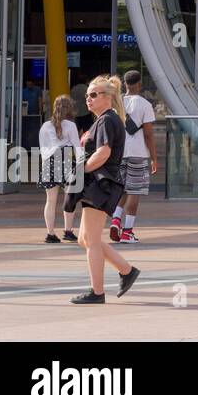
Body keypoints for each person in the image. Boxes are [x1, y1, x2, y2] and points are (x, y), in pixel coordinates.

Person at [65, 75, 140, 304]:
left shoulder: (107, 120)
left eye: (94, 94)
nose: (88, 98)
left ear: (108, 97)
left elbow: (104, 153)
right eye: (88, 94)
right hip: (99, 183)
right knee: (84, 239)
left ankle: (97, 292)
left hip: (101, 183)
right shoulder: (103, 120)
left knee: (92, 240)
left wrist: (83, 169)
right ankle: (126, 271)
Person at [108, 70, 157, 243]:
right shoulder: (144, 104)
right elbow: (149, 134)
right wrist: (154, 158)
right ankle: (127, 232)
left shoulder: (116, 103)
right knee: (134, 191)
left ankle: (115, 219)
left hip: (119, 152)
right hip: (138, 152)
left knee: (123, 188)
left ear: (125, 83)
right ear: (139, 84)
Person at [38, 94, 80, 244]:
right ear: (69, 108)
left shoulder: (45, 126)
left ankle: (50, 233)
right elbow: (77, 146)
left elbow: (43, 148)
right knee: (70, 198)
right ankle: (68, 231)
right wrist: (81, 163)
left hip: (49, 160)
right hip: (66, 158)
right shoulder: (71, 125)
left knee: (50, 200)